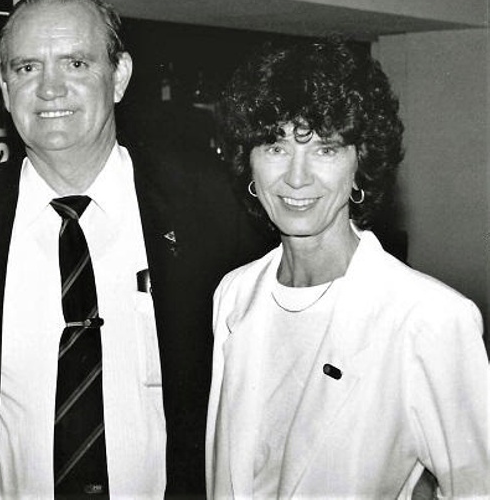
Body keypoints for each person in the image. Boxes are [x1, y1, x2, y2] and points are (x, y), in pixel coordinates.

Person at [0, 0, 264, 498]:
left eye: (75, 64)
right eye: (27, 68)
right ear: (4, 87)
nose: (50, 89)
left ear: (119, 76)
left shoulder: (211, 210)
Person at [206, 38, 489, 498]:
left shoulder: (427, 317)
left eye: (326, 149)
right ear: (248, 162)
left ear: (360, 164)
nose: (297, 178)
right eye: (275, 147)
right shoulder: (234, 295)